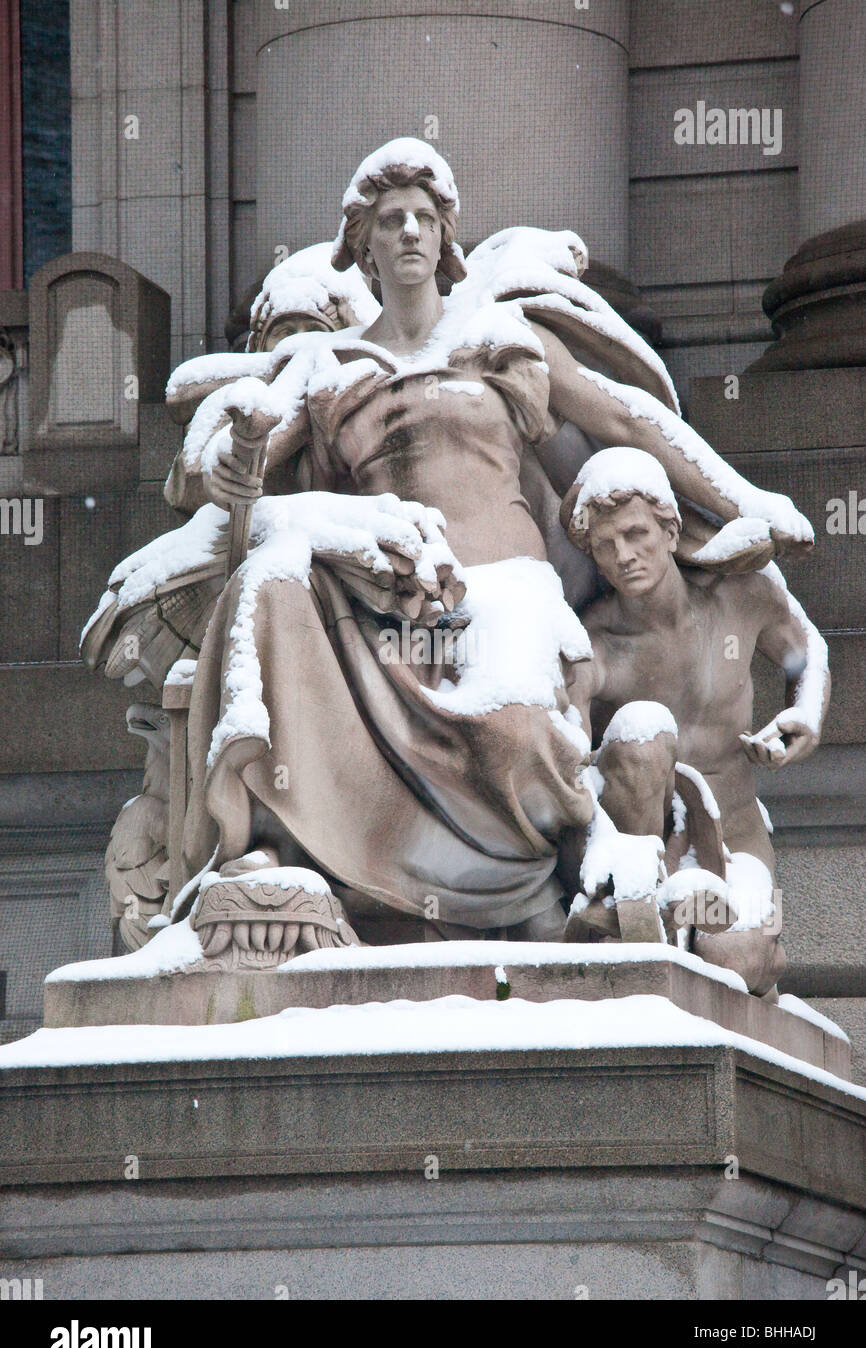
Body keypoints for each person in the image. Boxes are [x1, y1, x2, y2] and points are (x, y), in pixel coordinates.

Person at [83, 139, 818, 953]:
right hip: (390, 610)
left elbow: (625, 418)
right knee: (274, 577)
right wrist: (235, 459)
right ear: (361, 244)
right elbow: (228, 467)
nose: (407, 233)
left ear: (444, 238)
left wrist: (745, 499)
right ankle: (268, 849)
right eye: (389, 220)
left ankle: (572, 860)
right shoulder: (330, 365)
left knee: (509, 726)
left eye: (423, 218)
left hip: (506, 594)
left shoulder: (497, 334)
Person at [562, 447, 829, 995]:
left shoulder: (744, 594)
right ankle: (644, 914)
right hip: (657, 846)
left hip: (739, 836)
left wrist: (805, 714)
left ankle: (741, 946)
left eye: (636, 534)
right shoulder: (598, 646)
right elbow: (568, 755)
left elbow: (809, 652)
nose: (624, 556)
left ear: (668, 527)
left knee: (734, 964)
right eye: (605, 546)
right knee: (641, 726)